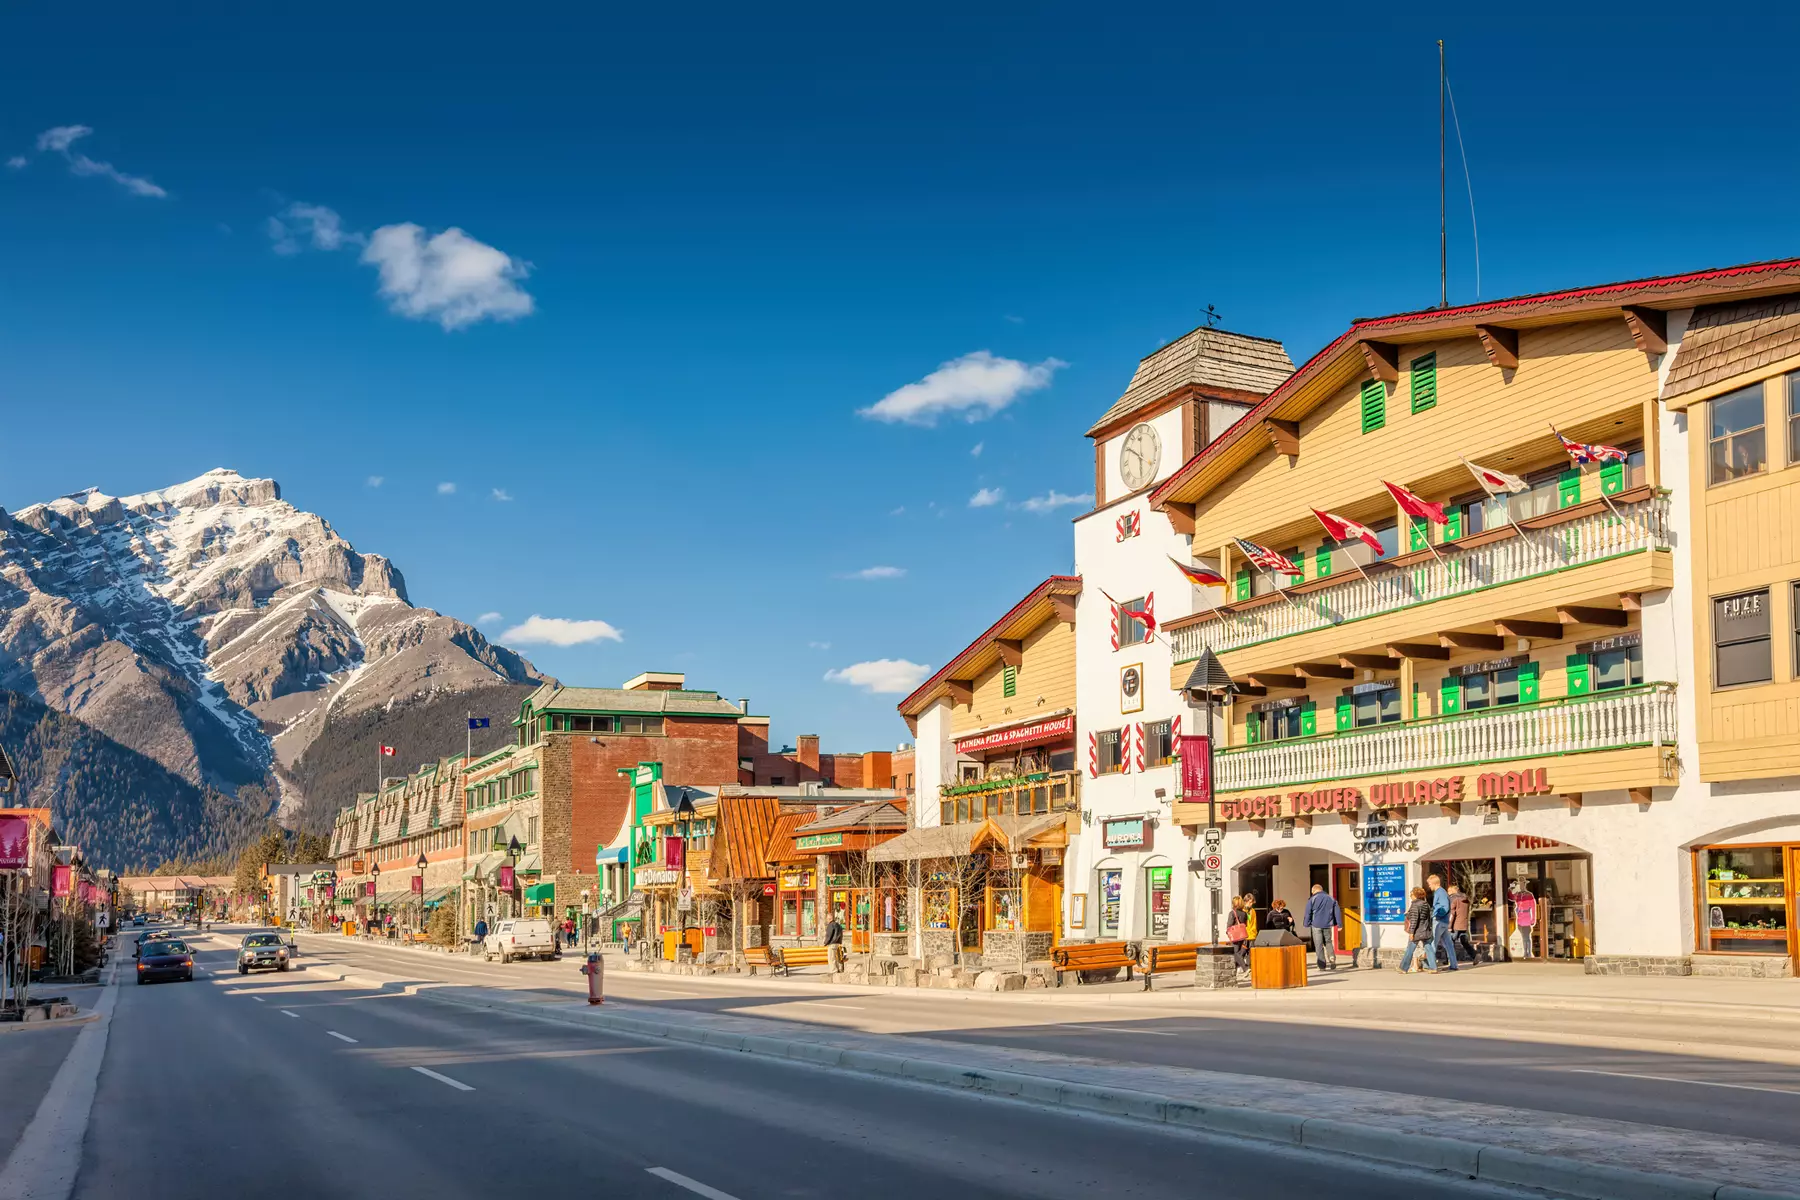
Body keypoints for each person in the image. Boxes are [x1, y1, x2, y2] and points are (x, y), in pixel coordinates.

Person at [1303, 883, 1341, 972]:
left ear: (1314, 890)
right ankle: (1332, 958)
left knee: (1318, 944)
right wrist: (1339, 924)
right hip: (1328, 924)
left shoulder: (1312, 899)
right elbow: (1337, 912)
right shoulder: (1331, 898)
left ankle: (1322, 965)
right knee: (1328, 941)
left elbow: (1308, 912)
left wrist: (1306, 923)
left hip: (1316, 925)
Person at [1426, 872, 1458, 972]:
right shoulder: (1442, 892)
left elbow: (1444, 907)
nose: (1429, 886)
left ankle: (1431, 966)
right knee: (1448, 944)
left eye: (1429, 884)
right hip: (1444, 921)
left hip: (1439, 921)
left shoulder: (1440, 892)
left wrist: (1435, 915)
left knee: (1432, 944)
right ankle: (1453, 964)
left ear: (1434, 883)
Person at [1400, 887, 1436, 973]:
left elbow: (1414, 919)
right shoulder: (1426, 904)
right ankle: (1433, 967)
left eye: (1411, 894)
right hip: (1425, 930)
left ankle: (1403, 968)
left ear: (1415, 895)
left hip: (1417, 931)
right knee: (1428, 948)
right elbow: (1428, 918)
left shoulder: (1415, 905)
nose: (1410, 896)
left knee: (1410, 949)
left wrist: (1411, 932)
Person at [1510, 882, 1538, 960]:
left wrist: (1533, 919)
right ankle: (1525, 952)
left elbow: (1533, 908)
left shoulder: (1529, 895)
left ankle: (1527, 952)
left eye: (1522, 884)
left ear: (1525, 885)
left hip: (1526, 918)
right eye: (1520, 885)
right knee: (1523, 937)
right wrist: (1511, 887)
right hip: (1520, 919)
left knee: (1526, 937)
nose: (1521, 886)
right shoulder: (1518, 895)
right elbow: (1511, 897)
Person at [1448, 883, 1475, 963]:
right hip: (1463, 925)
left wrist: (1449, 926)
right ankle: (1474, 955)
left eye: (1449, 890)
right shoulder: (1465, 898)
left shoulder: (1453, 898)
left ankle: (1451, 961)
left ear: (1454, 890)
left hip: (1455, 925)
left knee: (1450, 943)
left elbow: (1452, 914)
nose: (1448, 892)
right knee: (1464, 942)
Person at [1226, 896, 1250, 975]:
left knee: (1235, 952)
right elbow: (1245, 924)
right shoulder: (1244, 913)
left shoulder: (1232, 913)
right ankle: (1235, 971)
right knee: (1238, 953)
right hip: (1242, 935)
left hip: (1235, 936)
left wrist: (1228, 933)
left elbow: (1229, 925)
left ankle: (1245, 968)